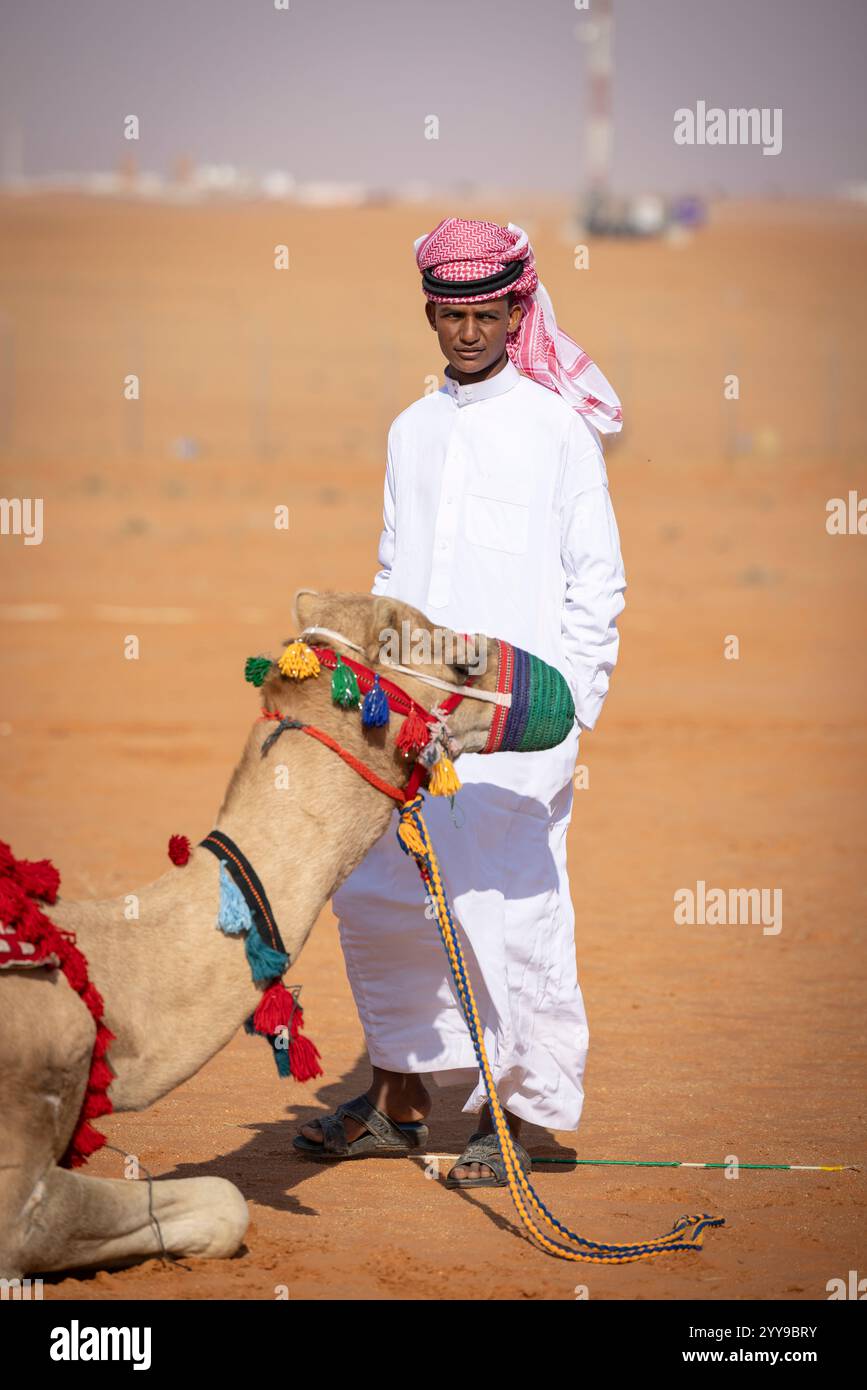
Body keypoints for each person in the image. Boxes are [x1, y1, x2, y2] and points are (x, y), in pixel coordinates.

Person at [294, 217, 626, 1186]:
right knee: (377, 895)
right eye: (453, 314)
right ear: (432, 313)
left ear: (518, 310)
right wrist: (373, 686)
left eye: (488, 313)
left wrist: (570, 714)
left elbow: (595, 582)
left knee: (511, 916)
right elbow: (396, 572)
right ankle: (401, 1096)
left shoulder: (556, 430)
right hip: (415, 719)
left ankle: (525, 1115)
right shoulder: (413, 429)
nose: (470, 330)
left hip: (520, 721)